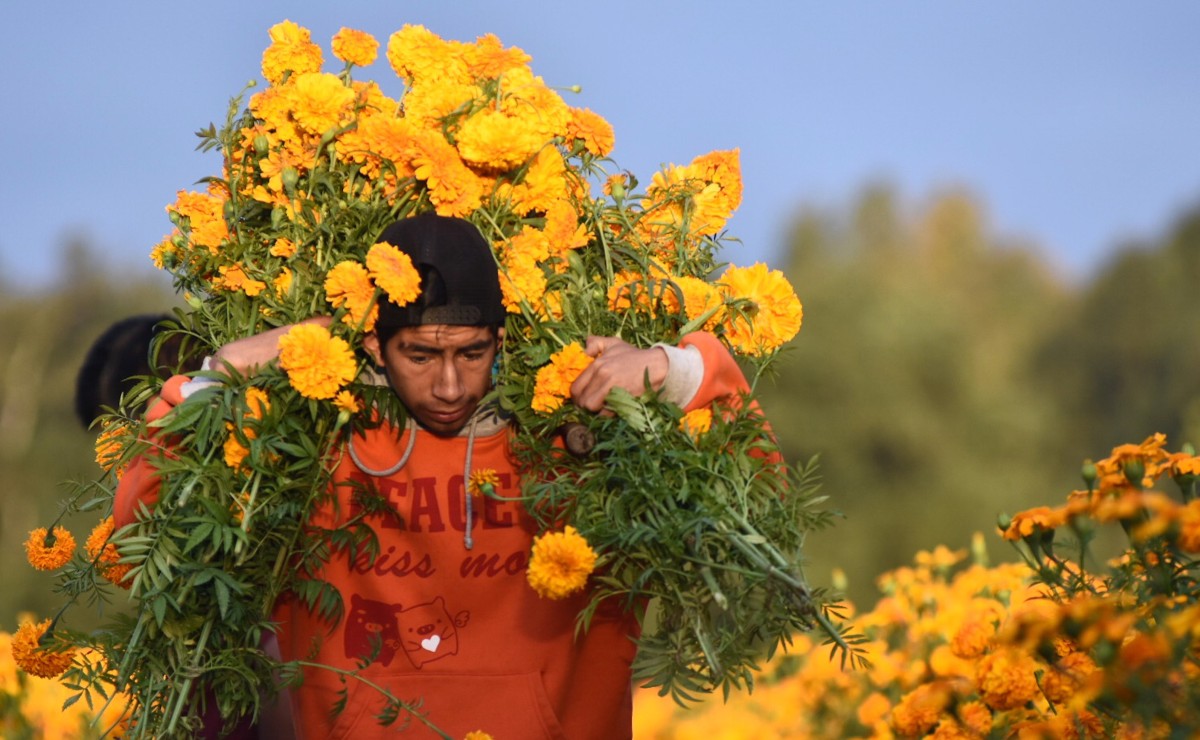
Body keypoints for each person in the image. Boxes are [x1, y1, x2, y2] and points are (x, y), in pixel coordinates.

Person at [113, 213, 759, 739]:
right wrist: (222, 373)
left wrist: (673, 373)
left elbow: (758, 494)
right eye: (420, 355)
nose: (450, 385)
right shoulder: (313, 443)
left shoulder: (578, 433)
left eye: (472, 353)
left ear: (500, 340)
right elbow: (142, 536)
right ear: (375, 346)